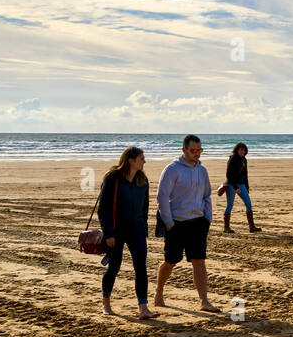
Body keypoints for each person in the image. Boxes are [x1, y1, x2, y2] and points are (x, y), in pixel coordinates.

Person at [154, 134, 217, 312]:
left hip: (198, 223)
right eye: (193, 150)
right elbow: (162, 197)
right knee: (170, 261)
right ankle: (158, 293)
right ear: (184, 150)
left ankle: (204, 301)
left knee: (199, 261)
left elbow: (207, 195)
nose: (197, 153)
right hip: (176, 223)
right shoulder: (172, 169)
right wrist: (168, 222)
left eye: (200, 150)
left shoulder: (202, 170)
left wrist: (207, 218)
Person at [98, 146, 158, 319]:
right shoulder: (113, 178)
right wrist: (108, 233)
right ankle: (106, 304)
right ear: (130, 160)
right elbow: (104, 209)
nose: (144, 161)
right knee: (114, 267)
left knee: (141, 268)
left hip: (137, 231)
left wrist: (144, 228)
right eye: (141, 158)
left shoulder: (142, 180)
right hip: (116, 232)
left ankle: (143, 308)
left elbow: (145, 207)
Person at [219, 142, 262, 234]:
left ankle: (252, 227)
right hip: (231, 185)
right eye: (241, 150)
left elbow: (245, 174)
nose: (243, 151)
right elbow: (228, 175)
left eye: (244, 150)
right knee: (230, 205)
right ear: (237, 150)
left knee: (248, 203)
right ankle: (226, 228)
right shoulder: (232, 159)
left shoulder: (244, 160)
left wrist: (247, 187)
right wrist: (235, 187)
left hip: (241, 184)